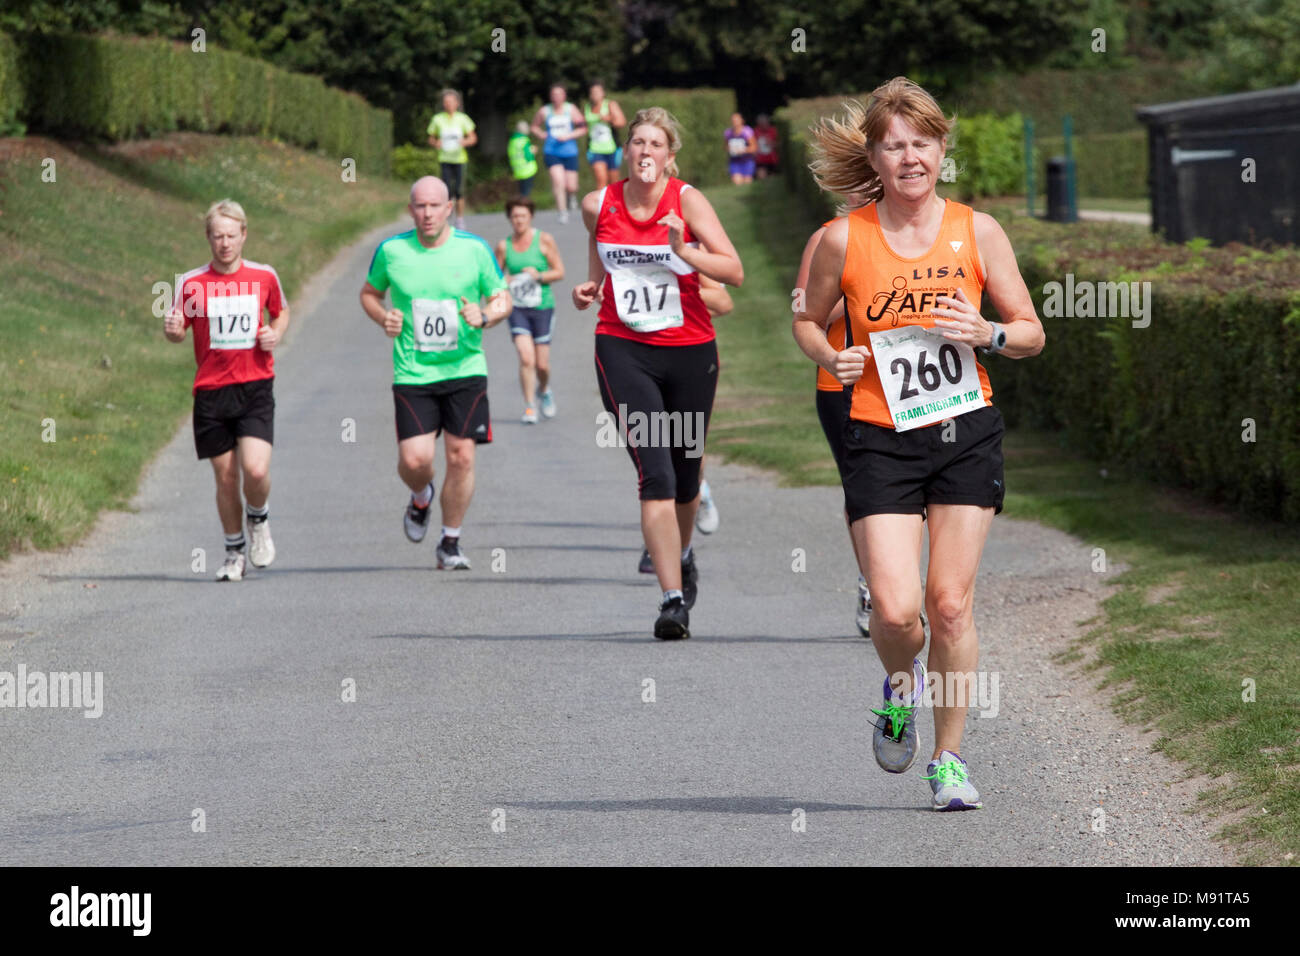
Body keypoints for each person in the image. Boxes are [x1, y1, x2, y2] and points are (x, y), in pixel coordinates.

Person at [793, 77, 1044, 810]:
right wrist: (828, 356)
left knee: (951, 605)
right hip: (879, 433)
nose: (910, 157)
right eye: (894, 145)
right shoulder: (846, 237)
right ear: (874, 156)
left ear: (942, 148)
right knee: (899, 613)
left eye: (922, 143)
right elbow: (806, 319)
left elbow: (1030, 331)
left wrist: (989, 333)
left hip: (966, 431)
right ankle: (898, 689)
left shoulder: (978, 231)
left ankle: (950, 760)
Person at [575, 107, 743, 640]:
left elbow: (733, 271)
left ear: (670, 157)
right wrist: (591, 287)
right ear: (626, 152)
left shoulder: (687, 201)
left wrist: (683, 250)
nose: (645, 151)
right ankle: (672, 600)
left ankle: (685, 552)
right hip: (623, 348)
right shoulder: (596, 204)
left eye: (656, 144)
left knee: (687, 477)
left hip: (690, 350)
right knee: (657, 474)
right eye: (637, 143)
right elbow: (600, 257)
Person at [359, 176, 512, 570]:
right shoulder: (392, 251)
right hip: (414, 373)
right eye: (420, 206)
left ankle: (450, 541)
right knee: (415, 460)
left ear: (449, 209)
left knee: (461, 457)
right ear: (411, 210)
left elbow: (501, 297)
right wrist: (384, 316)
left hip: (466, 368)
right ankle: (421, 496)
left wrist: (487, 315)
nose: (427, 214)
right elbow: (369, 293)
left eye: (435, 206)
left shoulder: (474, 249)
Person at [164, 199, 289, 582]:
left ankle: (259, 517)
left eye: (231, 235)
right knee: (225, 477)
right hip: (212, 391)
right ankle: (234, 553)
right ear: (208, 237)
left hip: (254, 385)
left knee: (255, 468)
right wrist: (172, 331)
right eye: (217, 236)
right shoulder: (191, 282)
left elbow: (281, 311)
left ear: (244, 235)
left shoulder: (263, 276)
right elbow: (177, 327)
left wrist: (274, 334)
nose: (225, 244)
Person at [795, 209, 875, 637]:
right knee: (864, 487)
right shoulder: (827, 239)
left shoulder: (925, 232)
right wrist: (859, 290)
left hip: (918, 385)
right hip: (842, 383)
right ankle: (873, 585)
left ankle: (906, 585)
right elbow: (807, 315)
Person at [637, 276, 731, 574]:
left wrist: (674, 295)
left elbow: (723, 302)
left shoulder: (692, 252)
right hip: (641, 360)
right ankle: (656, 542)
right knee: (653, 453)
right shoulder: (629, 252)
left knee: (687, 446)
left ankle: (697, 491)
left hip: (689, 358)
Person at [495, 196, 565, 423]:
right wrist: (506, 279)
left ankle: (544, 390)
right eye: (515, 216)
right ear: (509, 218)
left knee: (542, 364)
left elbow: (559, 272)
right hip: (517, 309)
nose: (519, 221)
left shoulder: (544, 240)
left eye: (523, 216)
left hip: (542, 307)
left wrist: (539, 275)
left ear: (531, 217)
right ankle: (528, 407)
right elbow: (493, 280)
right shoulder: (504, 246)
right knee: (526, 358)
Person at [531, 83, 586, 223]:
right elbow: (534, 127)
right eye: (554, 94)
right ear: (551, 96)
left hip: (569, 151)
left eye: (559, 94)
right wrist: (541, 134)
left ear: (564, 95)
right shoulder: (545, 111)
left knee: (571, 185)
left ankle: (572, 196)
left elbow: (583, 128)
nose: (557, 97)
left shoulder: (571, 109)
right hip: (551, 151)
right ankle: (562, 212)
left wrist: (569, 136)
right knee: (558, 181)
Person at [427, 90, 477, 229]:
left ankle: (460, 219)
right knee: (446, 190)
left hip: (460, 159)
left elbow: (473, 138)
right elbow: (431, 138)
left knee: (459, 190)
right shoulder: (438, 119)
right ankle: (446, 218)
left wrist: (465, 142)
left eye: (451, 102)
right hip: (445, 158)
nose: (448, 104)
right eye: (446, 102)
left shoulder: (463, 118)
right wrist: (435, 143)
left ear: (457, 103)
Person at [583, 82, 626, 190]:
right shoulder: (587, 107)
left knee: (614, 181)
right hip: (594, 148)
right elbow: (583, 126)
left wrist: (609, 119)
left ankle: (615, 205)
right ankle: (601, 205)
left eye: (597, 92)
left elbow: (621, 122)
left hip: (612, 148)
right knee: (601, 178)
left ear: (603, 93)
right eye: (593, 92)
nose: (595, 95)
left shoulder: (610, 104)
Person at [507, 120, 538, 197]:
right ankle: (524, 206)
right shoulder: (524, 140)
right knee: (526, 193)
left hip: (517, 170)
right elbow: (528, 156)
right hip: (527, 170)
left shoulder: (512, 141)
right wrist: (533, 151)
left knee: (521, 191)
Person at [724, 112, 757, 185]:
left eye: (736, 120)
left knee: (747, 182)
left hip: (747, 161)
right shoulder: (728, 133)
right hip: (735, 162)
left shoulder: (747, 132)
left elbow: (754, 147)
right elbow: (725, 147)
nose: (734, 122)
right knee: (737, 182)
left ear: (742, 120)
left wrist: (743, 150)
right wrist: (731, 149)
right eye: (733, 120)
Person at [754, 113, 779, 178]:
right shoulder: (755, 131)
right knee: (762, 178)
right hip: (760, 161)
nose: (764, 125)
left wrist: (771, 143)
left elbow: (780, 144)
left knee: (773, 179)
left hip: (772, 160)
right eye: (761, 124)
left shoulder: (773, 130)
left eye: (765, 123)